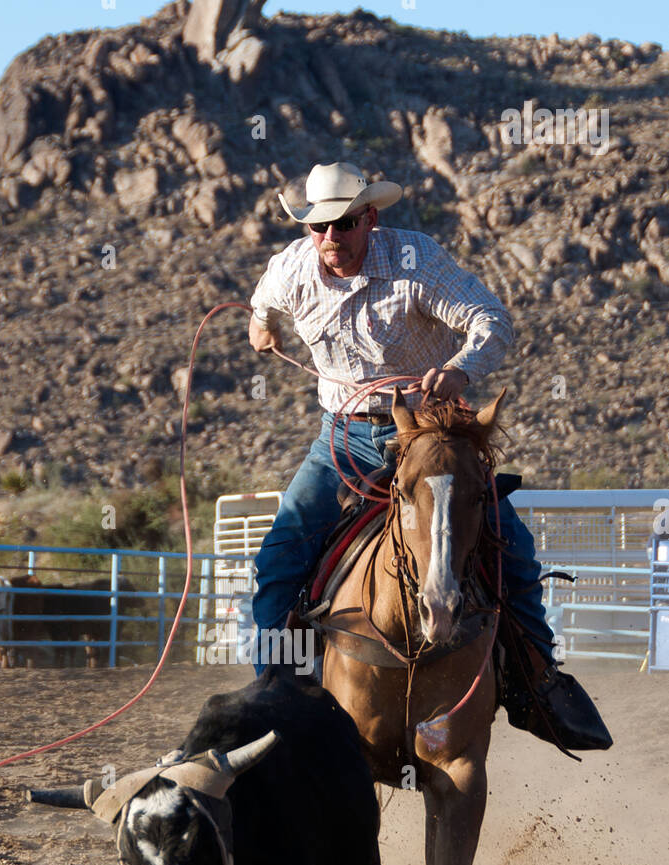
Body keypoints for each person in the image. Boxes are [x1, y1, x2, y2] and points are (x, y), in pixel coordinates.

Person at [247, 161, 611, 751]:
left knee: (509, 546)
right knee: (281, 554)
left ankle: (538, 682)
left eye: (343, 224)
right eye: (319, 228)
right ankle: (267, 694)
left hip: (428, 433)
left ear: (370, 218)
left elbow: (491, 320)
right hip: (344, 437)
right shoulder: (291, 270)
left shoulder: (415, 261)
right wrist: (262, 329)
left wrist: (462, 369)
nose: (330, 239)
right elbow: (260, 309)